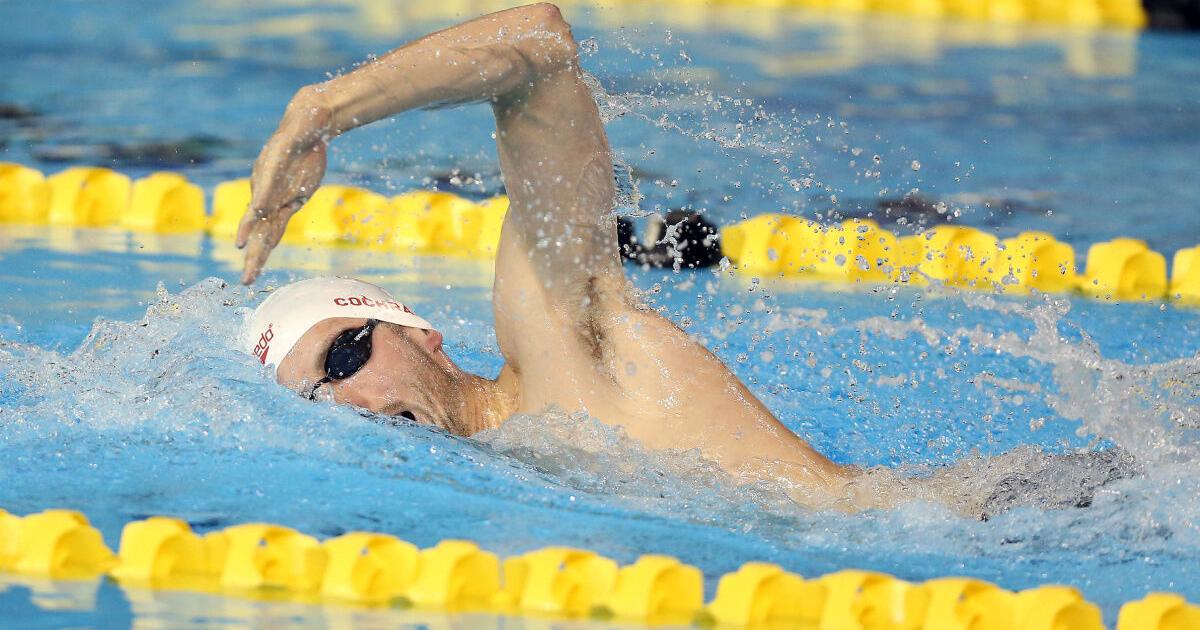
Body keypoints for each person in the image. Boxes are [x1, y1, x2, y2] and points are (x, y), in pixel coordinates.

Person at [236, 4, 1130, 515]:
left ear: (421, 333)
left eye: (347, 353)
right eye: (318, 396)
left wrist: (324, 108)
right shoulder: (510, 471)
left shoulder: (558, 345)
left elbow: (541, 50)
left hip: (1025, 515)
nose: (346, 400)